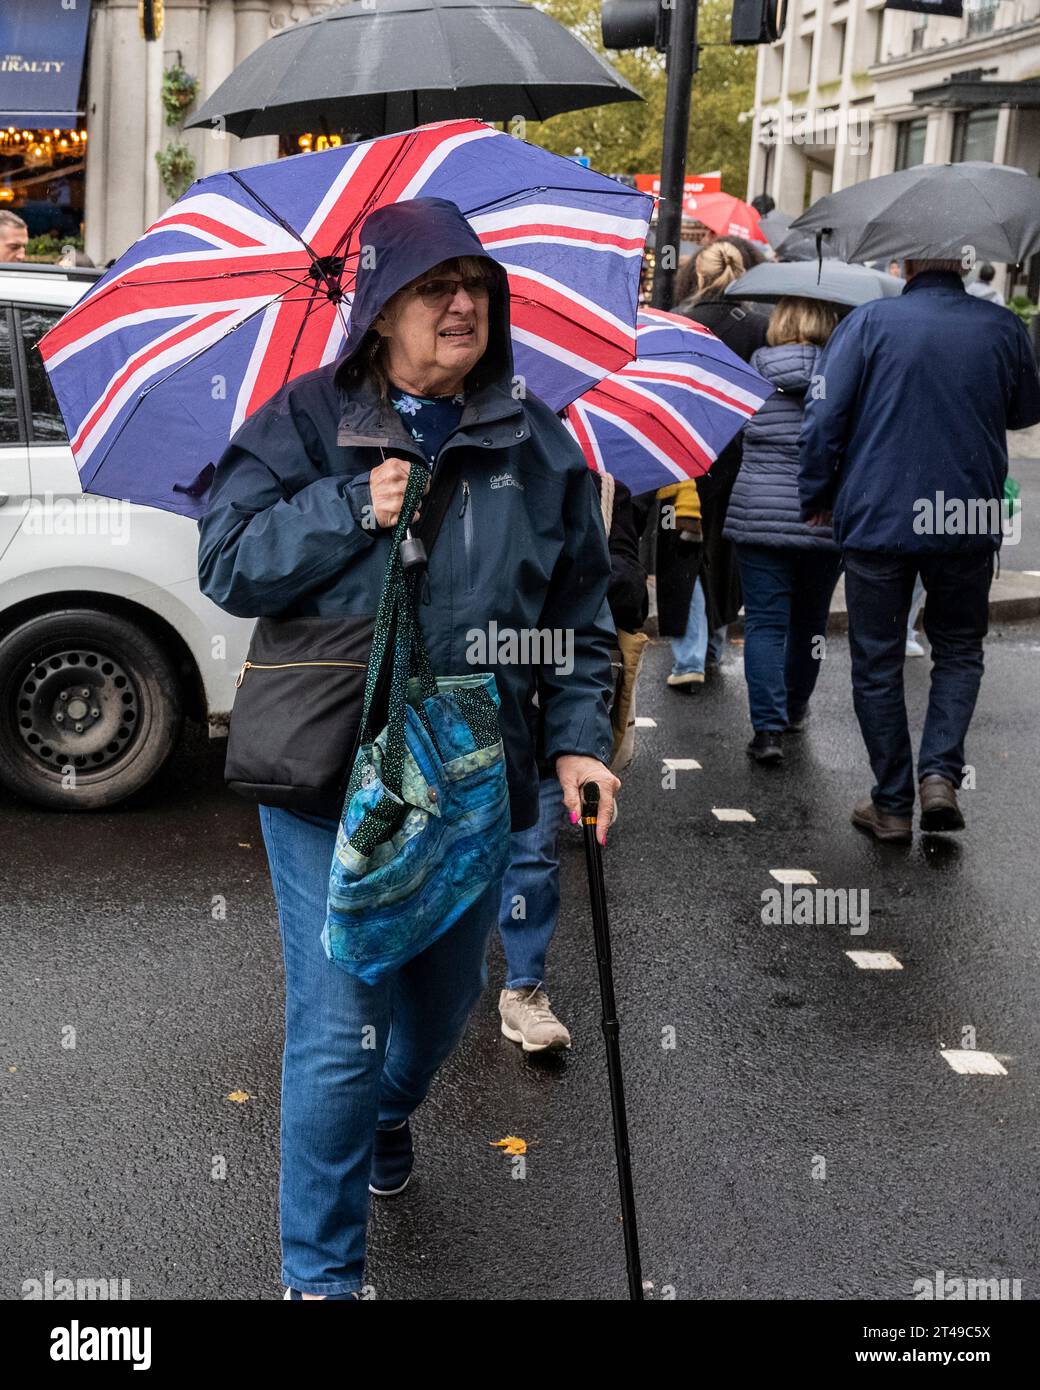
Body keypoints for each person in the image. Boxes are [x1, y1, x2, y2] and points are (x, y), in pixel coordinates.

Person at [197, 196, 619, 1298]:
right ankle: (320, 1278)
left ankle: (393, 1114)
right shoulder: (302, 423)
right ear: (380, 310)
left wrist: (577, 742)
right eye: (437, 287)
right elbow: (229, 561)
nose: (463, 304)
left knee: (435, 1018)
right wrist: (351, 505)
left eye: (477, 287)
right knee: (339, 1028)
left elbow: (579, 605)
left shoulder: (532, 440)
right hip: (334, 773)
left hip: (473, 775)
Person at [799, 257, 1040, 842]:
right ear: (964, 265)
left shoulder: (868, 323)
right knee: (958, 649)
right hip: (967, 516)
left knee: (877, 659)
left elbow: (823, 415)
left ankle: (890, 803)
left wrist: (817, 492)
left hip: (878, 514)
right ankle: (940, 776)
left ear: (905, 264)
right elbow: (1026, 410)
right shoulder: (1002, 325)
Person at [496, 473, 647, 1051]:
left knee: (532, 852)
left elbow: (629, 595)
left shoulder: (603, 487)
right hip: (460, 698)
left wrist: (588, 570)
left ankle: (524, 988)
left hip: (541, 700)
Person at [724, 295, 842, 763]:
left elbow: (735, 431)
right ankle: (794, 710)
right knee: (810, 623)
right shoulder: (839, 374)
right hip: (822, 517)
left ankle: (767, 731)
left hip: (759, 517)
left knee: (766, 623)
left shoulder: (755, 372)